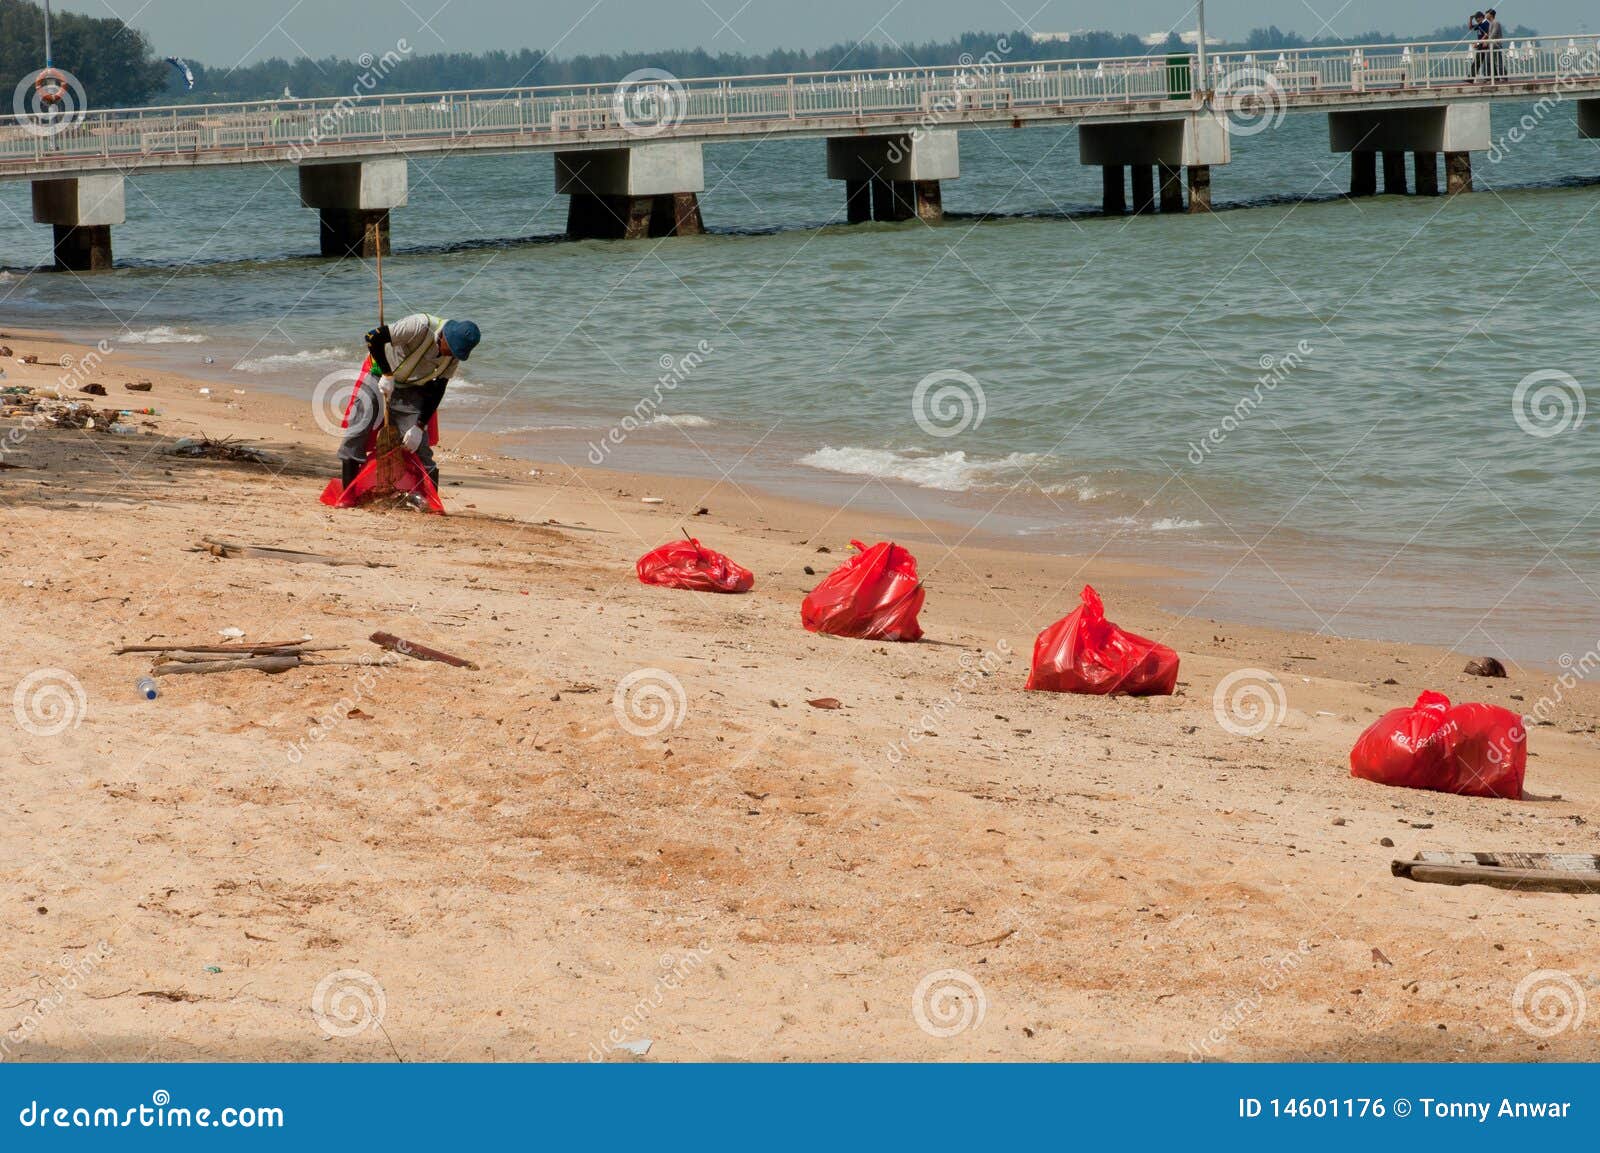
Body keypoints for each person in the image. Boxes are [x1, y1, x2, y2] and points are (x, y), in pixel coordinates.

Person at [337, 314, 481, 492]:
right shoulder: (419, 325)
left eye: (456, 353)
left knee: (419, 447)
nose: (450, 354)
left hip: (412, 388)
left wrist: (419, 427)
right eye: (450, 349)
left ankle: (427, 499)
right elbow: (372, 337)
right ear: (444, 335)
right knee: (358, 429)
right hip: (379, 375)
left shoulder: (453, 356)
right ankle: (349, 492)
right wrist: (386, 373)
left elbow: (438, 389)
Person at [1485, 9, 1506, 82]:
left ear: (1490, 15)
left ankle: (1503, 77)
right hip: (1492, 45)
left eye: (1486, 14)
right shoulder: (1491, 23)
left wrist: (1487, 41)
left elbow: (1494, 34)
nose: (1485, 15)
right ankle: (1492, 77)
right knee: (1489, 61)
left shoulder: (1496, 23)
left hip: (1496, 45)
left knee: (1498, 62)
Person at [1468, 12, 1489, 83]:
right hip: (1480, 45)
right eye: (1476, 19)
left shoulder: (1486, 23)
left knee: (1478, 62)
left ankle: (1471, 78)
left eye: (1477, 18)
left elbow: (1487, 35)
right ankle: (1471, 78)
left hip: (1485, 45)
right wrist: (1470, 19)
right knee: (1477, 62)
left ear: (1481, 17)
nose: (1476, 20)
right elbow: (1471, 28)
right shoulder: (1480, 24)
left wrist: (1478, 43)